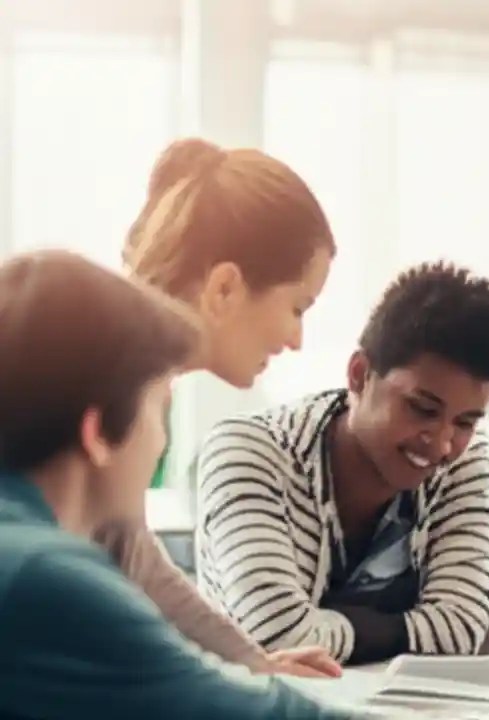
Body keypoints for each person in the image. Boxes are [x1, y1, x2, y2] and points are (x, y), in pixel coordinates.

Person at [0, 250, 347, 719]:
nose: (162, 442)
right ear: (98, 432)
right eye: (160, 409)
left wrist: (252, 664)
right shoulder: (49, 577)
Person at [93, 137, 340, 677]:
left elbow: (136, 556)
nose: (296, 339)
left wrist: (252, 662)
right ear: (225, 287)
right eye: (296, 307)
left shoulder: (147, 381)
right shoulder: (112, 379)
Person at [196, 261, 489, 665]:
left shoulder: (464, 461)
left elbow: (460, 629)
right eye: (421, 409)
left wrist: (323, 629)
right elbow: (278, 637)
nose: (444, 444)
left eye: (465, 422)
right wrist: (411, 629)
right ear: (359, 375)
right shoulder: (248, 451)